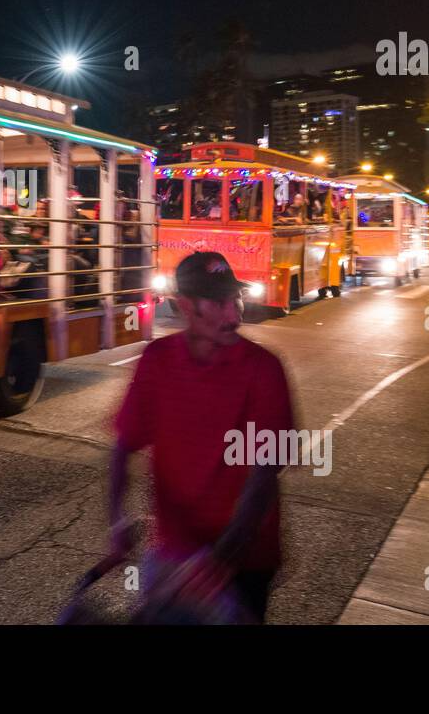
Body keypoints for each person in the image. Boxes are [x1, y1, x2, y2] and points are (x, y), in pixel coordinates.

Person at [108, 250, 295, 622]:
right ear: (185, 307)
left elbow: (265, 472)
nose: (234, 313)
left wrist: (222, 559)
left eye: (236, 298)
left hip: (245, 557)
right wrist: (116, 518)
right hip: (174, 552)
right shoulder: (157, 360)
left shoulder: (265, 369)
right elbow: (123, 445)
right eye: (219, 302)